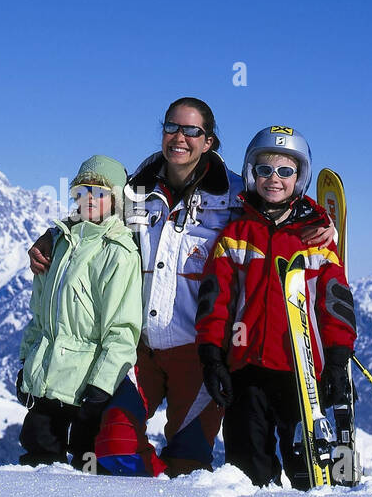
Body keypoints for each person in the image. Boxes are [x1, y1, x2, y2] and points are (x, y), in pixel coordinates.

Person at [29, 97, 243, 476]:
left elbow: (277, 214)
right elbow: (92, 212)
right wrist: (52, 236)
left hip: (198, 356)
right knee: (112, 450)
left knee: (188, 466)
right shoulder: (137, 190)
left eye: (192, 130)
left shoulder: (233, 197)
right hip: (138, 350)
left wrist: (316, 225)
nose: (180, 137)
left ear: (209, 141)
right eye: (171, 127)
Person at [194, 126, 357, 488]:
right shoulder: (236, 235)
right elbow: (215, 298)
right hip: (246, 367)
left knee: (307, 469)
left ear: (299, 178)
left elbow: (335, 302)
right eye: (265, 170)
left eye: (285, 171)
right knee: (248, 469)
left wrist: (337, 360)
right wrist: (211, 356)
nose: (274, 179)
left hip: (301, 373)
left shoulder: (314, 238)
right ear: (252, 172)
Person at [16, 156, 143, 470]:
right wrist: (26, 363)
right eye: (81, 191)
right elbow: (39, 313)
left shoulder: (118, 252)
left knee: (86, 477)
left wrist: (102, 386)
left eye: (99, 192)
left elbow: (122, 330)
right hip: (46, 383)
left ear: (114, 200)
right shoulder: (59, 243)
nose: (89, 199)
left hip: (87, 387)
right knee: (36, 465)